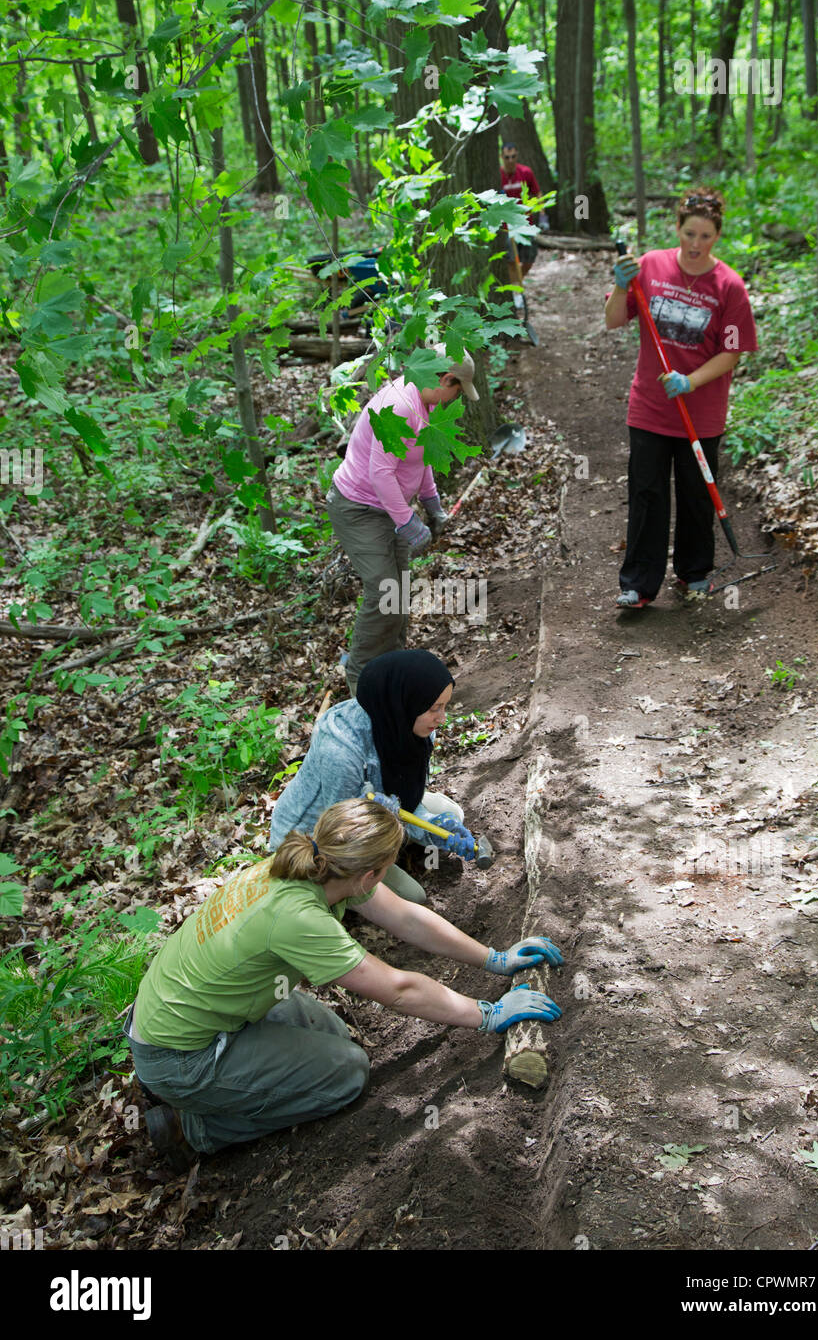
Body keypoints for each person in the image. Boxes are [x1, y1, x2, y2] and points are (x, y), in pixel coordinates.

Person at [125, 796, 563, 1169]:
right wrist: (489, 1014)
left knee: (331, 1035)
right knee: (346, 1074)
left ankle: (210, 1087)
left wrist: (496, 959)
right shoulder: (298, 917)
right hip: (180, 1053)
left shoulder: (315, 866)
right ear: (370, 873)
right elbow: (398, 989)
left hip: (185, 1013)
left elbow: (409, 919)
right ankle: (194, 1126)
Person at [604, 187, 758, 608]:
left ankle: (695, 572)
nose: (695, 244)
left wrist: (690, 381)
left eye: (705, 236)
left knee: (695, 494)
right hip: (650, 407)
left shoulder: (729, 286)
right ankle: (638, 583)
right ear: (677, 227)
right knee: (647, 494)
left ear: (717, 236)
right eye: (689, 233)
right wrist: (621, 287)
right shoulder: (649, 266)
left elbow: (731, 353)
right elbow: (614, 320)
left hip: (700, 411)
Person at [326, 345, 480, 694]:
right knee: (383, 590)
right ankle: (360, 680)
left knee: (398, 595)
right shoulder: (399, 404)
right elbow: (380, 474)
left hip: (391, 508)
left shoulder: (424, 406)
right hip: (358, 508)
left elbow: (419, 460)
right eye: (456, 390)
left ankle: (390, 670)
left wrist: (432, 503)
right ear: (445, 378)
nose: (453, 399)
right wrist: (408, 522)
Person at [270, 649, 475, 904]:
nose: (442, 718)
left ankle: (401, 852)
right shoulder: (340, 750)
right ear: (405, 702)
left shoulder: (412, 727)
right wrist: (387, 816)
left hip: (376, 811)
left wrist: (432, 827)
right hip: (314, 842)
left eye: (444, 707)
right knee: (413, 897)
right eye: (435, 708)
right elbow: (340, 835)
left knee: (450, 817)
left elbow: (406, 802)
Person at [500, 141, 548, 290]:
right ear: (502, 157)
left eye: (513, 156)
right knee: (511, 260)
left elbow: (537, 193)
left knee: (529, 259)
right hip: (506, 227)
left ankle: (515, 282)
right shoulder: (498, 175)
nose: (510, 160)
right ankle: (515, 291)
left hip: (526, 224)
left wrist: (543, 215)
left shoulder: (525, 173)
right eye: (507, 157)